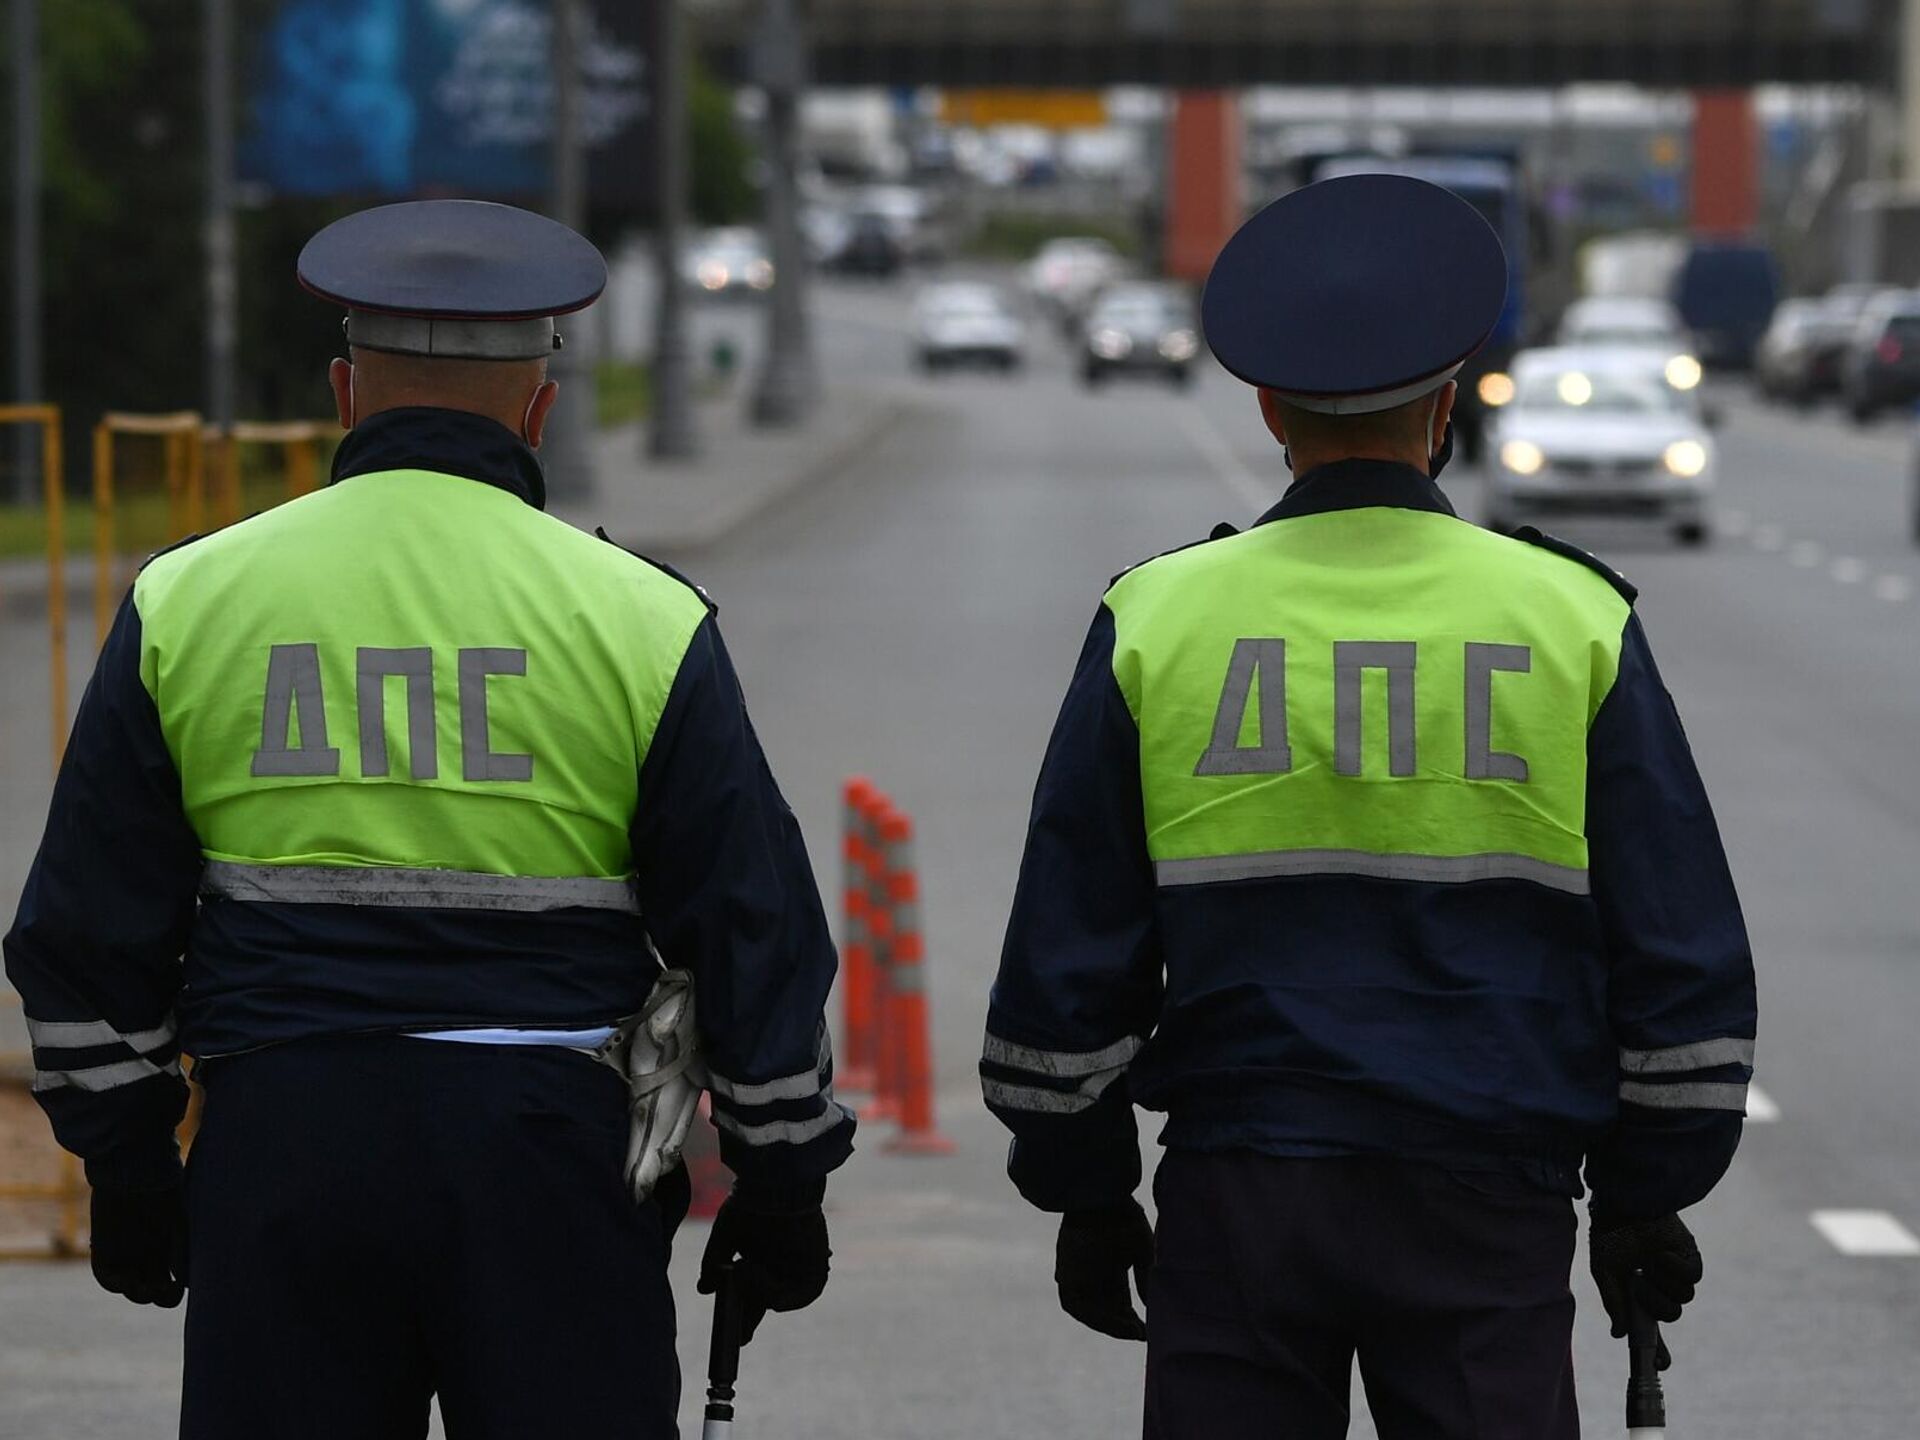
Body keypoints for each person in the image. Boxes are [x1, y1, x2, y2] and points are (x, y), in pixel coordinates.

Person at [4, 199, 854, 1440]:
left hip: (284, 1151)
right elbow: (748, 923)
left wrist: (126, 1163)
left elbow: (86, 924)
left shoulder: (191, 598)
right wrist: (781, 1180)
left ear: (348, 392)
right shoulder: (640, 618)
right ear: (540, 410)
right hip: (552, 1162)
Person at [980, 174, 1756, 1438]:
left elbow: (1069, 961)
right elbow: (1679, 950)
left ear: (1271, 409)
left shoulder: (1158, 621)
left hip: (1240, 1201)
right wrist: (1642, 1194)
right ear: (1448, 406)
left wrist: (1086, 1188)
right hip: (1484, 1202)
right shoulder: (1572, 622)